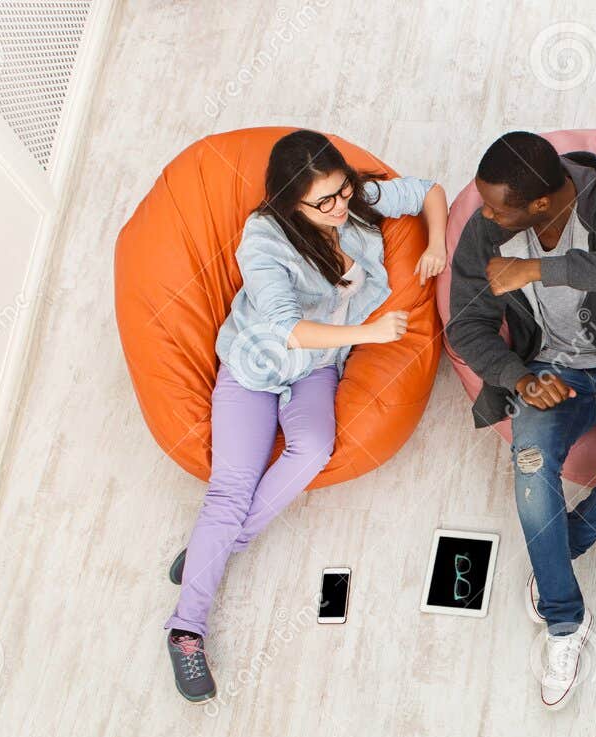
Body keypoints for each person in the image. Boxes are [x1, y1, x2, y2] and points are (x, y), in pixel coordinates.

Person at [164, 130, 448, 702]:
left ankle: (213, 551)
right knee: (230, 488)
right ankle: (185, 629)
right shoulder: (263, 240)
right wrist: (369, 331)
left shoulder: (356, 200)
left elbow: (432, 192)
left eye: (343, 191)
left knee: (315, 447)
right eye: (324, 202)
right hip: (256, 363)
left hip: (317, 367)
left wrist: (436, 244)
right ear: (291, 202)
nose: (340, 208)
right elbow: (286, 329)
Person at [448, 131, 596, 709]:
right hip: (544, 371)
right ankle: (563, 620)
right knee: (531, 466)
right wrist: (519, 377)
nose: (483, 216)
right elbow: (465, 326)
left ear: (538, 205)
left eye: (494, 206)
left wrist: (539, 269)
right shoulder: (484, 234)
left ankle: (564, 544)